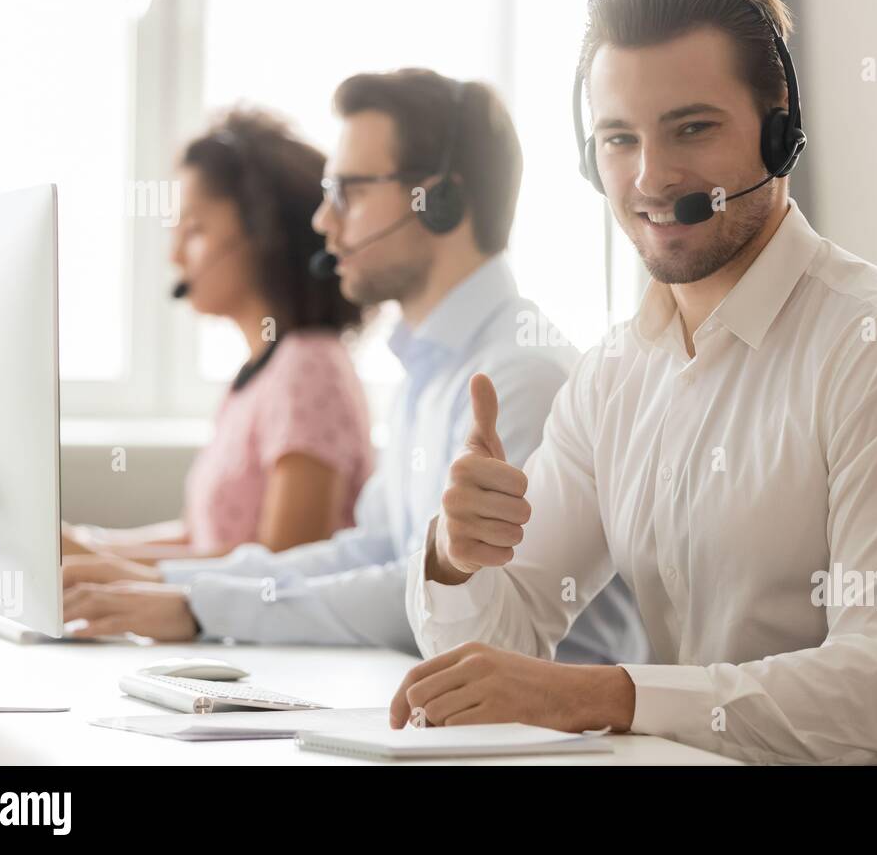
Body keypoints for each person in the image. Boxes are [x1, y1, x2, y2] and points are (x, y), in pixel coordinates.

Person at [391, 0, 877, 765]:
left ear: (779, 130)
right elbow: (496, 641)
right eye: (619, 138)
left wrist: (606, 696)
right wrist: (456, 555)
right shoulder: (616, 375)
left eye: (692, 128)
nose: (651, 177)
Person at [61, 70, 649, 666]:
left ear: (440, 200)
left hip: (549, 743)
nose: (323, 221)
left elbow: (434, 597)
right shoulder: (429, 369)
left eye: (350, 191)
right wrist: (180, 590)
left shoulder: (520, 376)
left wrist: (199, 608)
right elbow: (369, 552)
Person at [62, 109, 373, 562]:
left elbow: (283, 563)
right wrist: (86, 546)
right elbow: (203, 539)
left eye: (194, 230)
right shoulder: (260, 372)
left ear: (262, 233)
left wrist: (95, 561)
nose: (175, 255)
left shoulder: (310, 367)